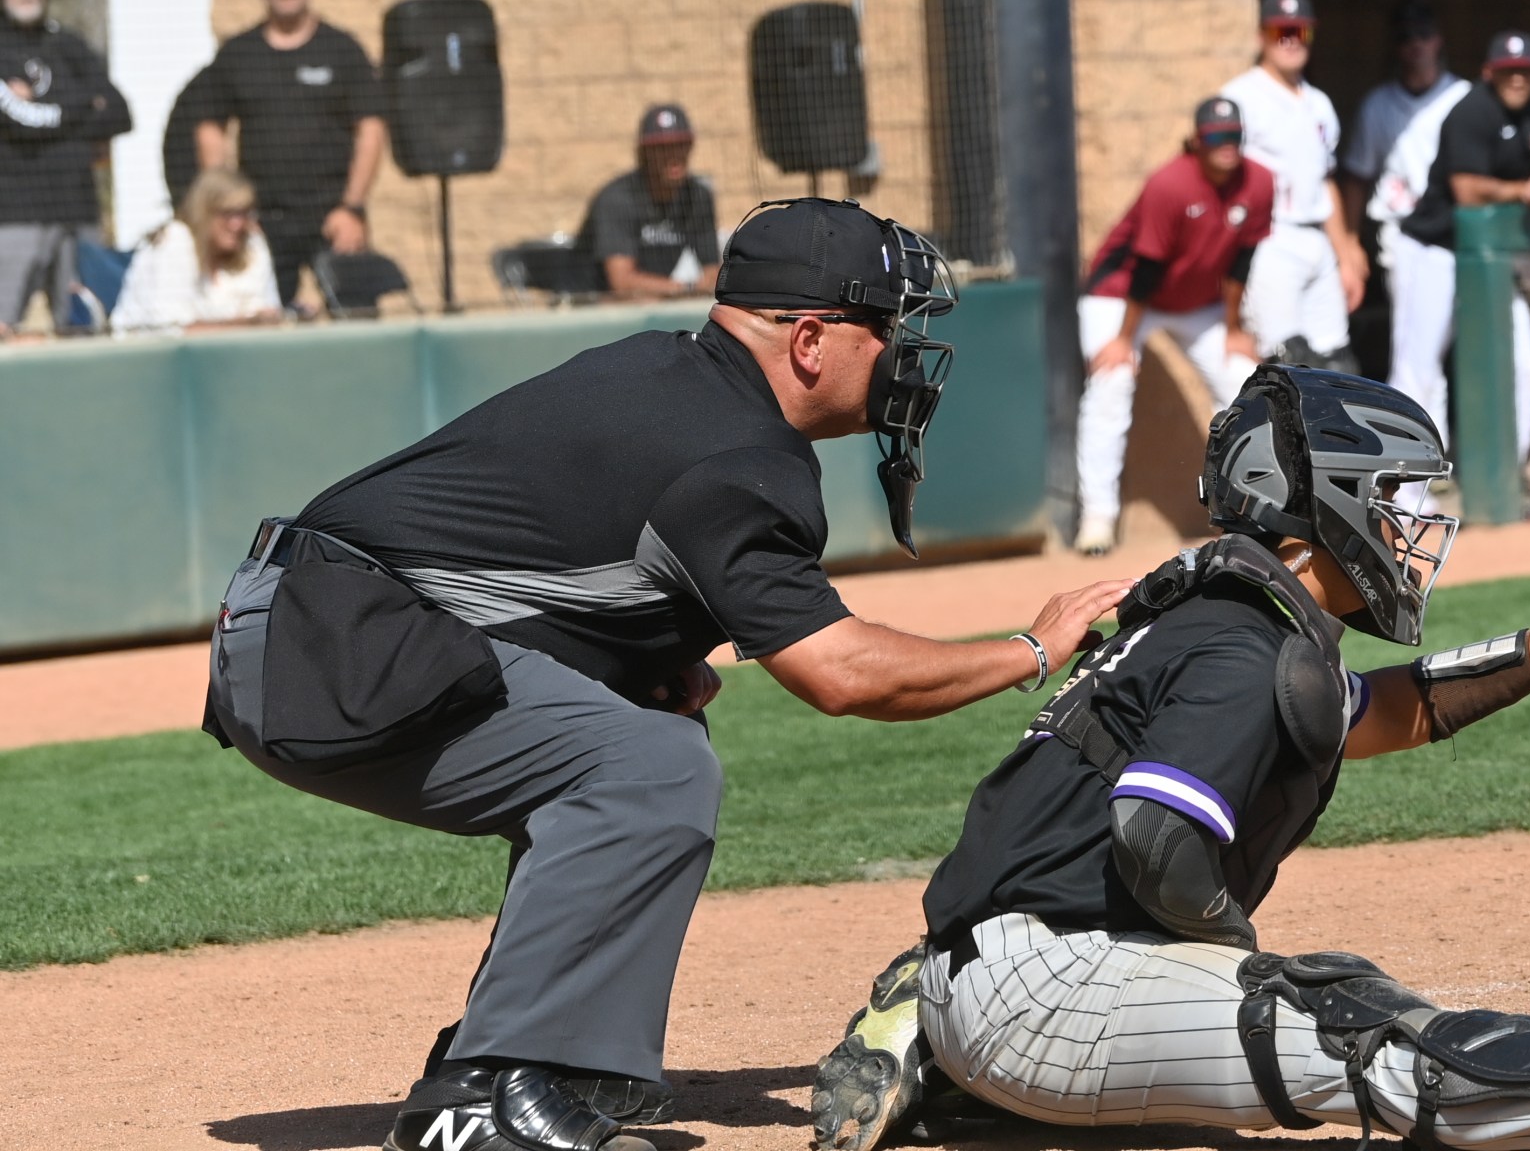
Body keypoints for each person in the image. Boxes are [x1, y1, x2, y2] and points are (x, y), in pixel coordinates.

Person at [203, 198, 1134, 1151]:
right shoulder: (733, 458)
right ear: (810, 339)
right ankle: (487, 1095)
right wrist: (1032, 648)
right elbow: (845, 674)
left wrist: (632, 656)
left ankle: (545, 1057)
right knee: (647, 765)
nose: (902, 355)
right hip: (326, 647)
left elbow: (512, 555)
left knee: (639, 732)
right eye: (888, 328)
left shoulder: (671, 376)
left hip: (313, 625)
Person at [808, 370, 1530, 1151]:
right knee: (1336, 1019)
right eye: (1393, 497)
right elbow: (1156, 841)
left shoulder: (1228, 618)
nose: (1413, 527)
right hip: (1042, 990)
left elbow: (1362, 713)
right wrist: (1239, 962)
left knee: (1297, 1006)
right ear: (1321, 504)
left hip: (1002, 970)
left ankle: (925, 1044)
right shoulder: (1246, 646)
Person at [1073, 97, 1273, 555]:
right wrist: (1124, 341)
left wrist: (1235, 327)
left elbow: (1243, 260)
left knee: (1244, 381)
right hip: (1122, 294)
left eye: (1234, 136)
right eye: (1216, 137)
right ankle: (1097, 517)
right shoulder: (1171, 183)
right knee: (1113, 378)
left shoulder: (1259, 181)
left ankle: (1249, 511)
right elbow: (1145, 268)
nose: (1227, 146)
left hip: (1195, 300)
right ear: (1196, 142)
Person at [1392, 31, 1530, 459]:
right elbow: (1466, 190)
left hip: (1492, 260)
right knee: (1419, 372)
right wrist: (1523, 189)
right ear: (1490, 72)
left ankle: (1509, 475)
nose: (1517, 78)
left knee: (1526, 366)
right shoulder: (1471, 111)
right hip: (1434, 249)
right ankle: (1405, 493)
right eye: (1508, 71)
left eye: (1525, 70)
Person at [193, 0, 386, 307]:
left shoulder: (341, 49)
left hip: (333, 215)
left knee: (357, 323)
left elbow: (372, 130)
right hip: (261, 223)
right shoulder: (239, 54)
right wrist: (228, 210)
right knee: (256, 324)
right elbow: (210, 128)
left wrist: (353, 207)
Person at [1223, 0, 1364, 365]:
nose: (1290, 41)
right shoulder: (1240, 98)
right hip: (1271, 240)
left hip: (1316, 238)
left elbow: (1325, 181)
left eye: (1299, 31)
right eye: (1279, 31)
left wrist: (1346, 255)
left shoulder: (1318, 102)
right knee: (1286, 365)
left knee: (1337, 364)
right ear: (1261, 37)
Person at [0, 0, 129, 334]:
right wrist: (79, 107)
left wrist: (37, 107)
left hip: (77, 211)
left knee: (86, 325)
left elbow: (120, 112)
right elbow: (15, 122)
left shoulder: (68, 44)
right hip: (14, 214)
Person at [1339, 0, 1465, 382]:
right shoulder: (1377, 104)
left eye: (1423, 35)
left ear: (1438, 40)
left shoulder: (1462, 96)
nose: (1415, 44)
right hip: (1404, 237)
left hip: (1460, 234)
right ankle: (1425, 439)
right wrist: (1348, 240)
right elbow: (1357, 177)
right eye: (1406, 36)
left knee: (1448, 349)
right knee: (1417, 354)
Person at [111, 168, 285, 333]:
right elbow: (172, 334)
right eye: (228, 213)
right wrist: (247, 325)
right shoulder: (173, 240)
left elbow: (269, 319)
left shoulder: (253, 242)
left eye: (244, 213)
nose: (237, 224)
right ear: (204, 212)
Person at [584, 104, 721, 301]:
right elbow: (622, 283)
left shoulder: (698, 196)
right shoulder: (618, 198)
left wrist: (696, 286)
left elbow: (712, 271)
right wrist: (687, 289)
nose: (674, 156)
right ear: (645, 153)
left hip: (656, 304)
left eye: (680, 145)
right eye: (662, 148)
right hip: (594, 307)